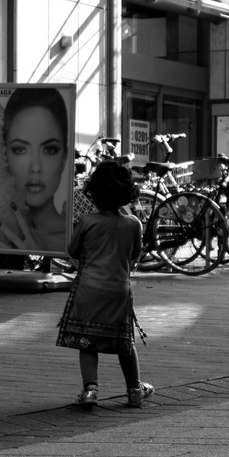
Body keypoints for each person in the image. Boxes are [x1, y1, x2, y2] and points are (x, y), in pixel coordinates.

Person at [58, 161, 153, 409]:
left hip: (88, 288)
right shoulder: (134, 224)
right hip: (119, 289)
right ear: (126, 193)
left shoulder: (87, 222)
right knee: (124, 341)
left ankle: (90, 389)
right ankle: (134, 389)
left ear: (94, 193)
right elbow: (135, 255)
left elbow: (72, 250)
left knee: (87, 340)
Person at [0, 87, 71, 253]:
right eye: (20, 150)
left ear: (64, 157)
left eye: (50, 149)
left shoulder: (76, 242)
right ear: (3, 154)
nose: (35, 168)